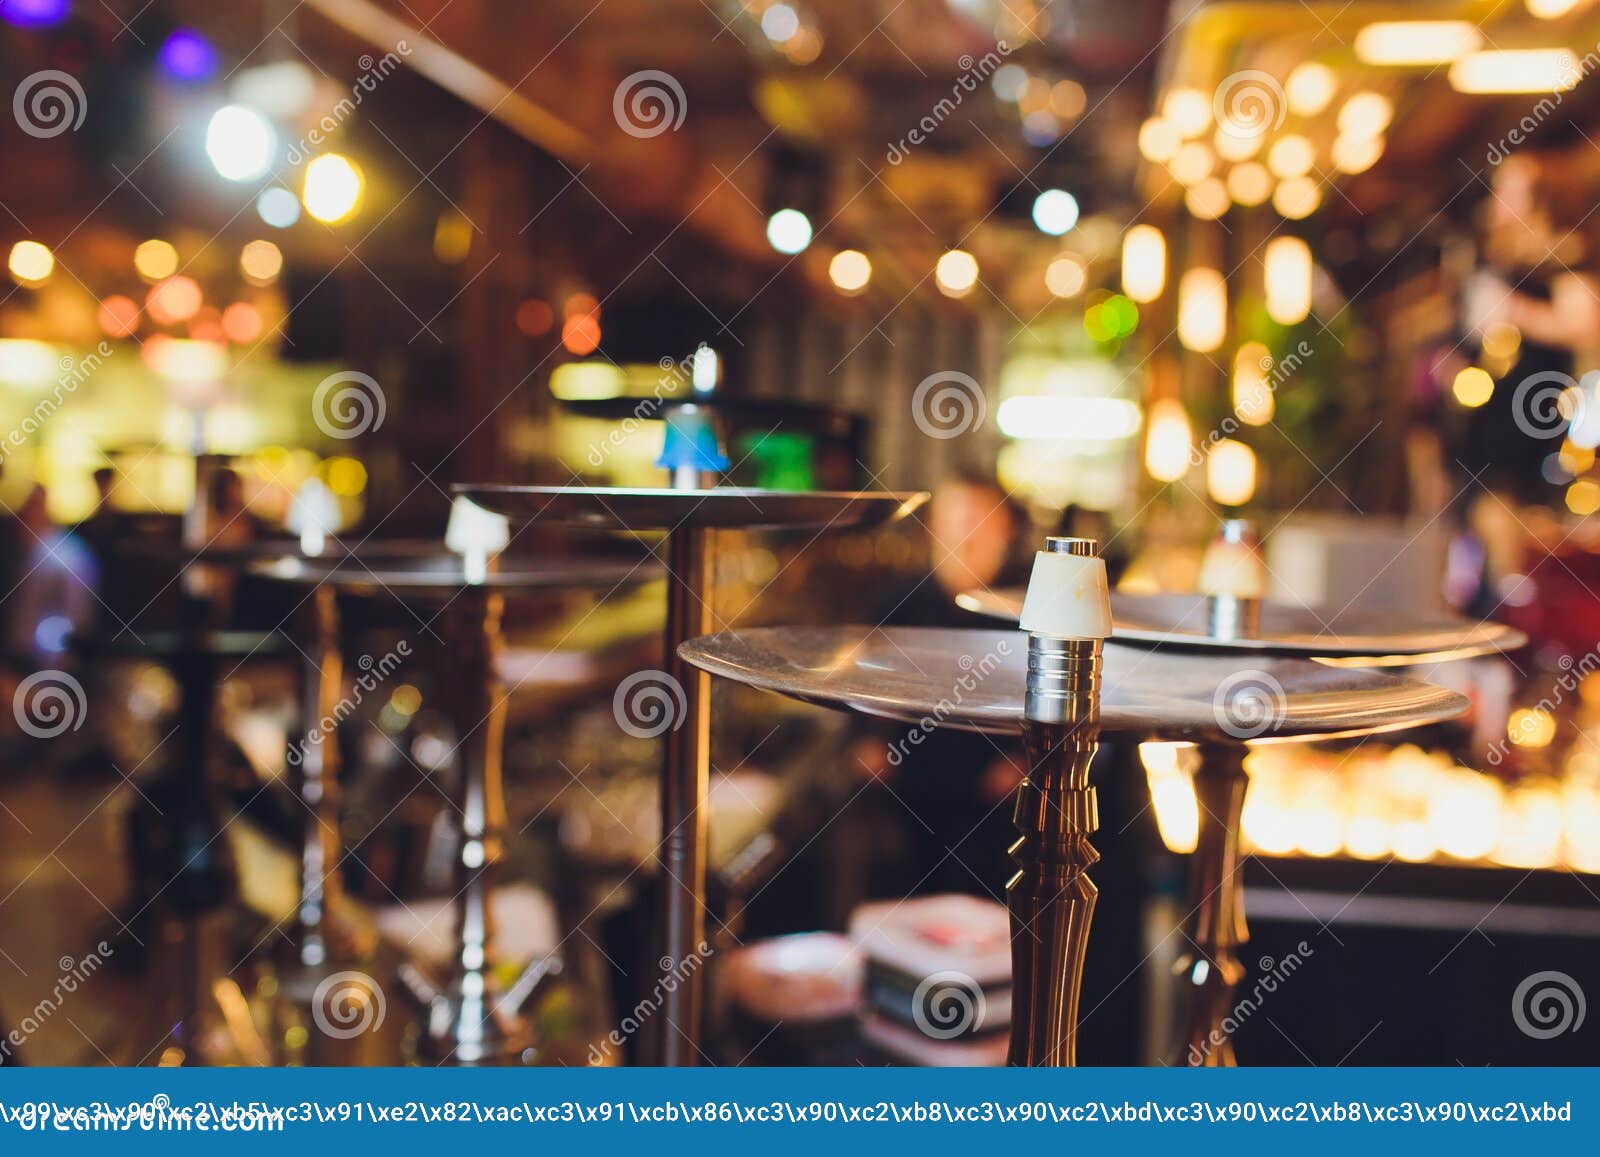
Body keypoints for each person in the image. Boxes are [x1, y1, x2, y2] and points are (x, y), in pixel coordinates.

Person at [848, 470, 1030, 898]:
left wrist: (1027, 760)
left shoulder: (1028, 605)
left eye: (980, 524)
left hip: (996, 792)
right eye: (955, 522)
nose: (966, 537)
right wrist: (863, 742)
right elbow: (857, 683)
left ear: (1006, 531)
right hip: (911, 782)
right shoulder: (897, 603)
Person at [6, 486, 97, 669]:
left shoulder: (68, 555)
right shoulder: (31, 551)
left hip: (50, 665)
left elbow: (76, 615)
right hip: (23, 659)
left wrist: (53, 661)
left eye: (32, 509)